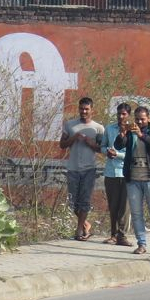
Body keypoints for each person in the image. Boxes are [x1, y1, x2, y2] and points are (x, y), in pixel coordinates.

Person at [115, 106, 150, 255]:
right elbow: (118, 145)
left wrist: (141, 134)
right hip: (133, 179)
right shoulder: (131, 132)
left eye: (142, 119)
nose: (139, 121)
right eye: (137, 119)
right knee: (136, 214)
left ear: (148, 118)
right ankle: (141, 243)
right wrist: (123, 134)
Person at [60, 97, 104, 241]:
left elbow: (101, 148)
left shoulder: (98, 128)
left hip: (89, 169)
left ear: (92, 110)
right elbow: (62, 144)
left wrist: (89, 142)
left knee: (84, 200)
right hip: (73, 168)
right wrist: (75, 138)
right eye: (81, 109)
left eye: (86, 109)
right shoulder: (70, 125)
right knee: (72, 202)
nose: (84, 111)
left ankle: (79, 230)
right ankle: (85, 224)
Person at [101, 103, 133, 246]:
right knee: (113, 205)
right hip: (111, 172)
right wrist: (107, 151)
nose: (121, 116)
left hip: (126, 172)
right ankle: (113, 235)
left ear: (128, 115)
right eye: (119, 113)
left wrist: (118, 154)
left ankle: (123, 235)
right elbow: (102, 146)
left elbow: (132, 154)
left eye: (124, 114)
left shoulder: (133, 131)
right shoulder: (109, 128)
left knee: (125, 206)